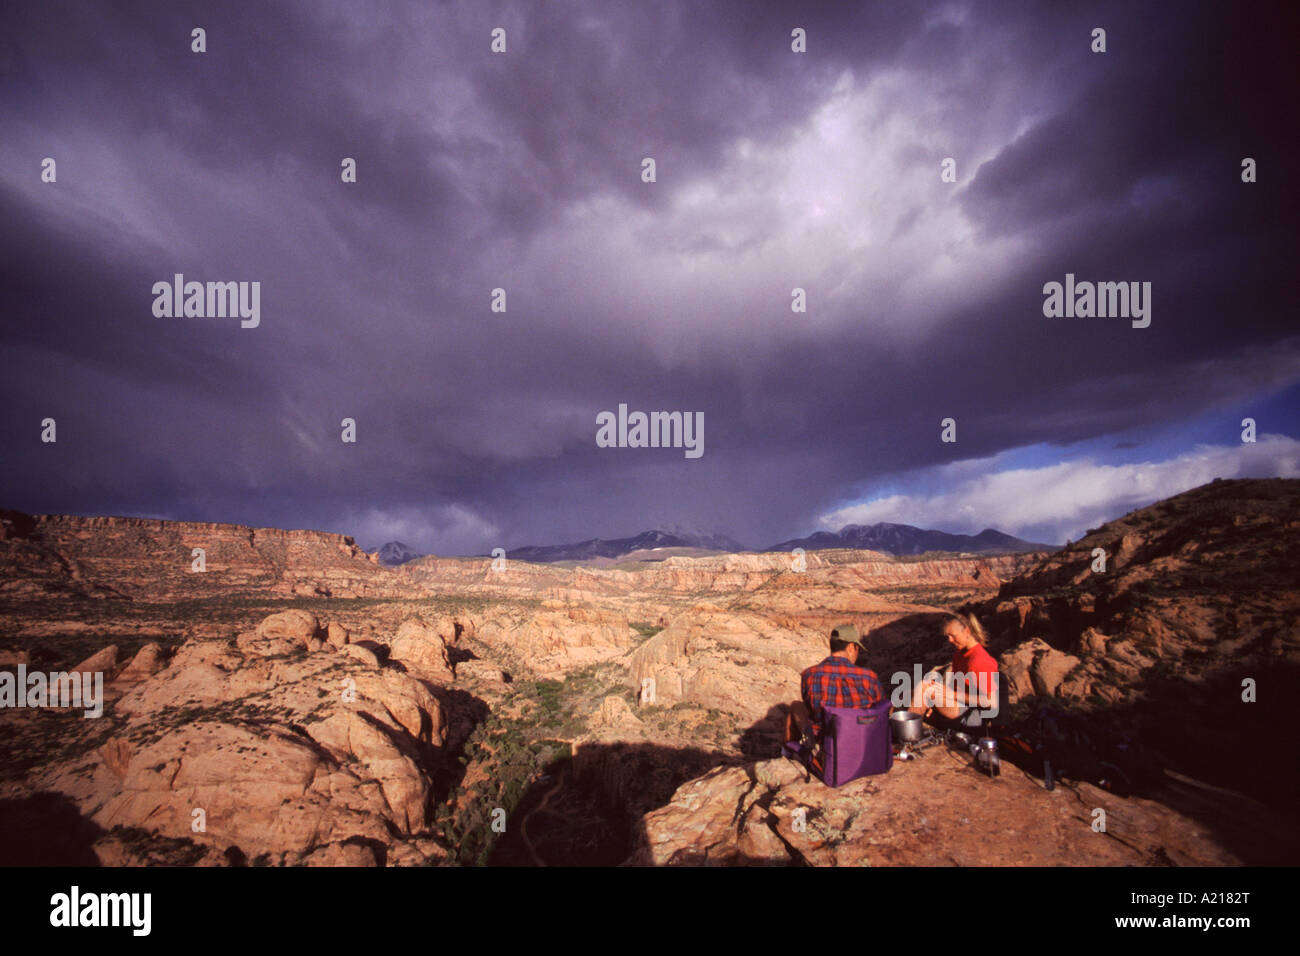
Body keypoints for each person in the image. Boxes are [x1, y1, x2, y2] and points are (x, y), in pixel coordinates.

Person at [785, 624, 885, 751]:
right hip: (862, 741)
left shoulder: (809, 674)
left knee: (796, 706)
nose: (857, 654)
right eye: (857, 649)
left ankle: (789, 753)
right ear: (850, 647)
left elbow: (810, 706)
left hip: (828, 743)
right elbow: (881, 708)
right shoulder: (869, 676)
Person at [908, 611, 999, 722]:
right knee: (914, 691)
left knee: (924, 690)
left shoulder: (979, 660)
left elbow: (991, 702)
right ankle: (909, 727)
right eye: (948, 636)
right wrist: (935, 701)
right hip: (958, 703)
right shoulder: (960, 654)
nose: (950, 640)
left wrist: (952, 695)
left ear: (967, 631)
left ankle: (909, 732)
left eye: (953, 636)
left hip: (972, 713)